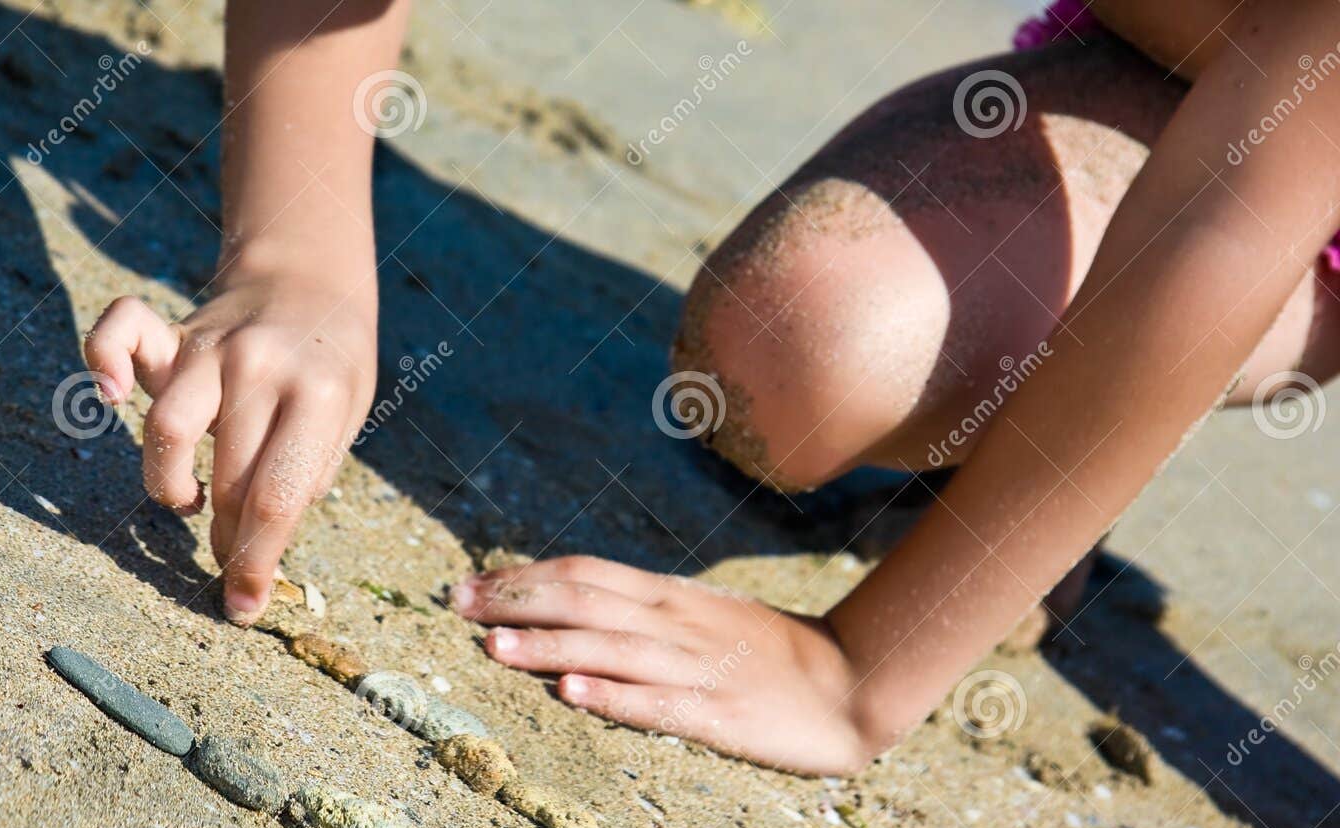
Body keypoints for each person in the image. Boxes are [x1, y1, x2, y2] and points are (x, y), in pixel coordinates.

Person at [83, 0, 1340, 775]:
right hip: (1218, 65)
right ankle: (1045, 448)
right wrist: (293, 261)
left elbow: (1233, 213)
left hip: (1297, 121)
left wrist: (860, 671)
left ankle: (1064, 463)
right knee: (805, 346)